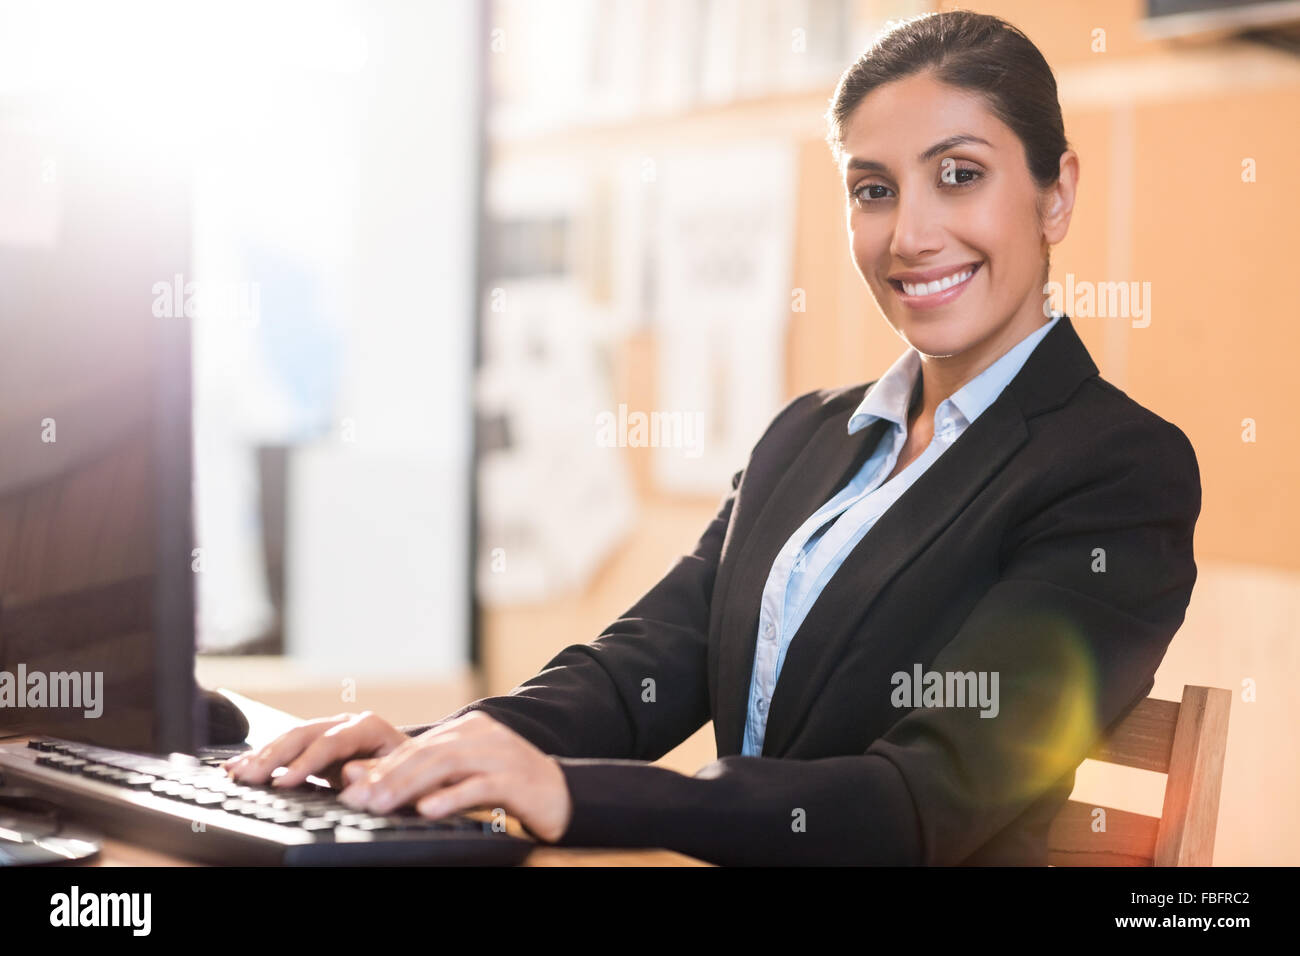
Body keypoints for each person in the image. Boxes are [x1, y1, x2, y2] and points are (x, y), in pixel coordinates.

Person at [225, 11, 1201, 865]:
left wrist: (570, 793)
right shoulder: (808, 435)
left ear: (1055, 193)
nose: (910, 233)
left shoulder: (1116, 473)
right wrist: (430, 749)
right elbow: (639, 670)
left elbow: (916, 802)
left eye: (959, 175)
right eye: (872, 189)